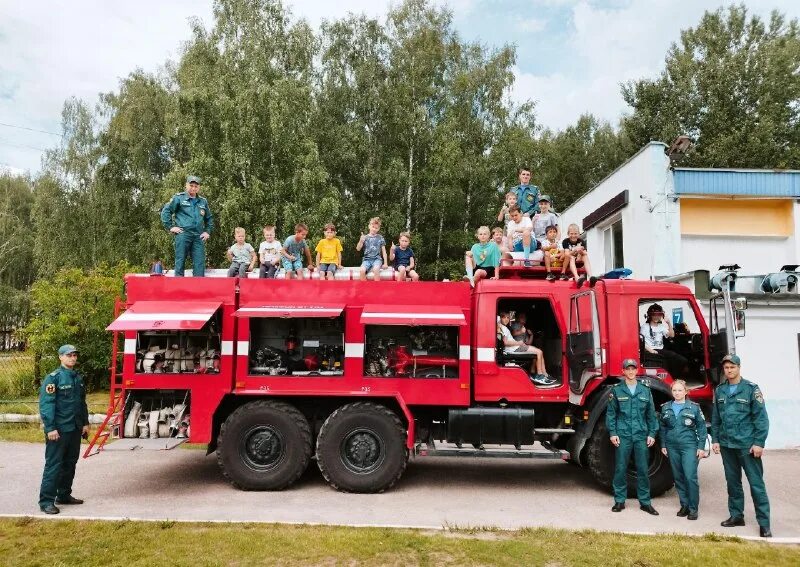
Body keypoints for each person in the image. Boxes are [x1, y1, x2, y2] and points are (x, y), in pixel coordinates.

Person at [711, 354, 772, 537]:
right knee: (733, 483)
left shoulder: (751, 389)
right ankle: (736, 516)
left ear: (739, 367)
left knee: (756, 484)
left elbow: (761, 419)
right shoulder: (720, 390)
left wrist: (759, 443)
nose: (729, 371)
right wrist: (715, 440)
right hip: (727, 445)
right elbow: (716, 418)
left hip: (747, 445)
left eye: (732, 367)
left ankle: (764, 523)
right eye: (726, 368)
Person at [38, 345, 89, 515]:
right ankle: (46, 501)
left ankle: (64, 495)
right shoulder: (53, 379)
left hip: (74, 428)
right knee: (54, 465)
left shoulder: (77, 378)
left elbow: (81, 404)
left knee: (70, 463)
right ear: (60, 357)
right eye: (69, 355)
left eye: (74, 355)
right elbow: (46, 405)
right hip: (59, 430)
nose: (73, 358)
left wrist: (85, 423)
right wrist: (50, 428)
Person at [607, 358, 659, 516]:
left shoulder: (645, 390)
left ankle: (645, 502)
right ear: (623, 371)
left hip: (641, 436)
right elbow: (611, 414)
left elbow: (651, 415)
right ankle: (619, 500)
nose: (630, 372)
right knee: (621, 468)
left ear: (637, 371)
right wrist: (613, 433)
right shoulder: (616, 391)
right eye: (627, 369)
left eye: (633, 369)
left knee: (643, 469)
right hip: (623, 436)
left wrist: (652, 433)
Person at [659, 379, 706, 520]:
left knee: (690, 477)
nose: (677, 393)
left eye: (680, 390)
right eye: (674, 390)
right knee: (678, 477)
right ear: (671, 392)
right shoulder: (666, 407)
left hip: (689, 446)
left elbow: (702, 429)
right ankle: (684, 505)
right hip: (672, 447)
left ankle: (693, 508)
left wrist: (701, 447)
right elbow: (662, 428)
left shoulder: (694, 408)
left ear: (686, 391)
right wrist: (663, 445)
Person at [160, 175, 214, 277]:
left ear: (199, 188)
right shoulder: (178, 198)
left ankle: (198, 289)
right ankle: (179, 288)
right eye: (191, 185)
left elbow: (209, 219)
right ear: (186, 185)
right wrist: (170, 227)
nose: (193, 188)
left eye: (196, 186)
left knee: (199, 262)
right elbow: (166, 211)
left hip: (198, 236)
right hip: (183, 234)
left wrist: (207, 231)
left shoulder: (203, 201)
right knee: (180, 261)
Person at [498, 311, 556, 387]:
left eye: (508, 317)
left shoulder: (504, 327)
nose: (506, 319)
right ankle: (539, 376)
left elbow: (527, 342)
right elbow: (505, 343)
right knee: (539, 352)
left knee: (539, 351)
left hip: (516, 347)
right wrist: (519, 343)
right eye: (504, 317)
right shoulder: (503, 327)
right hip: (514, 349)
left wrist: (529, 336)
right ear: (500, 318)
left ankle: (544, 374)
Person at [640, 304, 688, 379]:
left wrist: (668, 323)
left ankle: (674, 379)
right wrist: (650, 350)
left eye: (659, 315)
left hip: (660, 350)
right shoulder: (645, 327)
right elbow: (641, 341)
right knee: (665, 361)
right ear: (650, 316)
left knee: (681, 360)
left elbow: (672, 335)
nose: (656, 317)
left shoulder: (661, 326)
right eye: (654, 315)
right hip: (649, 351)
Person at [357, 217, 388, 282]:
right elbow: (358, 249)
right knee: (362, 271)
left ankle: (377, 288)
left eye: (376, 228)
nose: (374, 229)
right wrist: (361, 241)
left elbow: (384, 251)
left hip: (377, 259)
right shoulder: (365, 237)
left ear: (378, 229)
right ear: (369, 226)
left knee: (376, 269)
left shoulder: (380, 237)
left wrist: (385, 263)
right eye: (373, 227)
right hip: (367, 259)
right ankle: (365, 288)